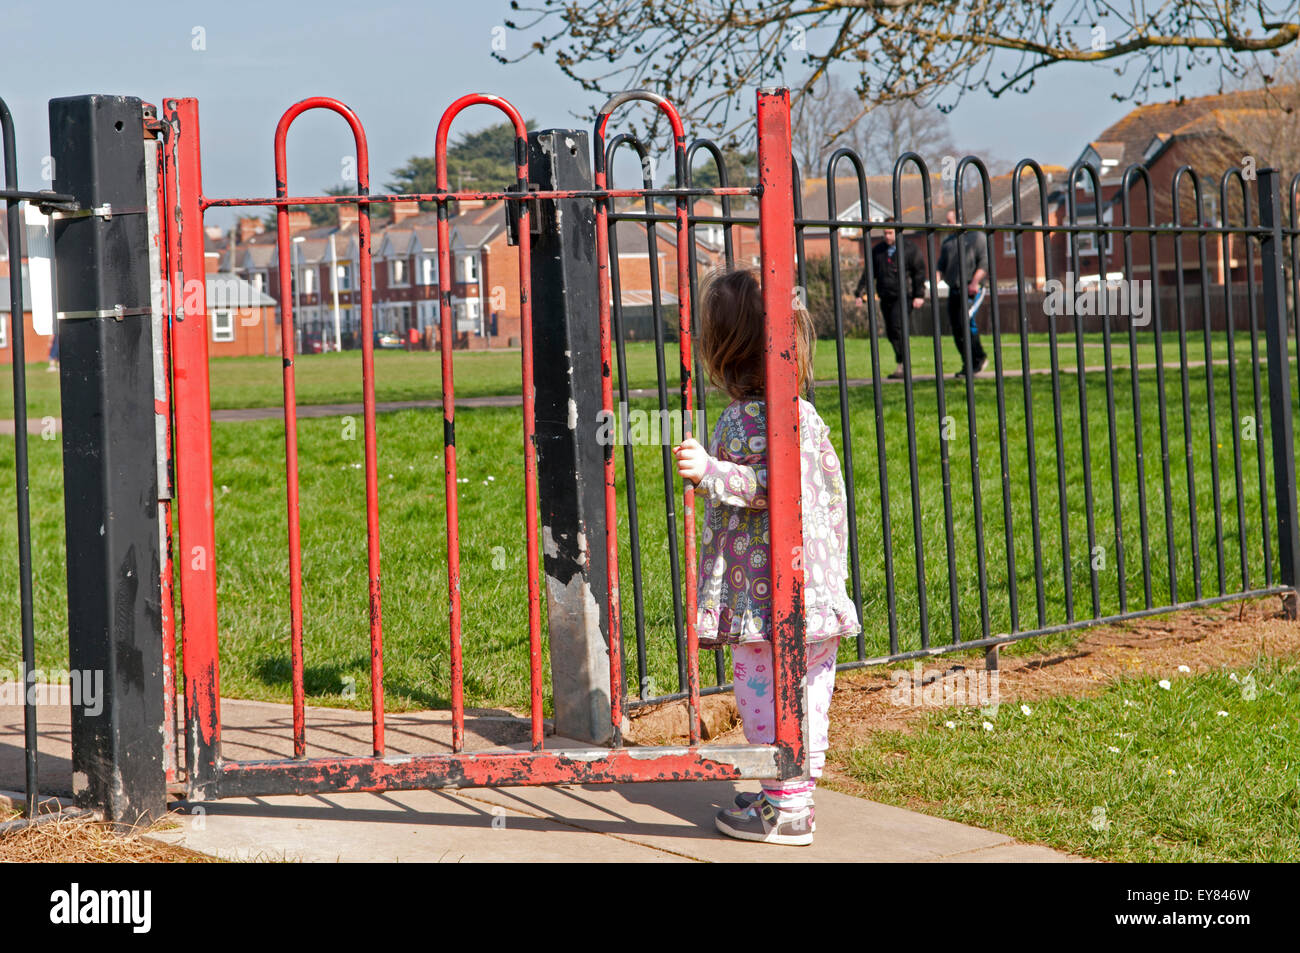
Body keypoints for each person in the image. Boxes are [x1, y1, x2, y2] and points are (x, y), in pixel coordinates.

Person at [673, 267, 860, 847]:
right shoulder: (801, 413)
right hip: (813, 589)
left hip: (768, 592)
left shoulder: (752, 419)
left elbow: (774, 488)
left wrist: (712, 472)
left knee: (765, 690)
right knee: (804, 690)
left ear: (724, 353)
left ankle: (789, 808)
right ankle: (785, 788)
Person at [854, 225, 925, 379]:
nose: (887, 236)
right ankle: (901, 363)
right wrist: (860, 292)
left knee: (897, 327)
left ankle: (904, 364)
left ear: (897, 232)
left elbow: (919, 272)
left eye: (890, 232)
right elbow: (869, 272)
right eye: (885, 233)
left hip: (904, 295)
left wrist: (919, 294)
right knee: (891, 331)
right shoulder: (878, 250)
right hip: (885, 295)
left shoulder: (909, 249)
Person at [935, 208, 989, 378]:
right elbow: (940, 268)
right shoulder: (948, 242)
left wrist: (974, 282)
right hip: (955, 289)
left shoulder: (977, 237)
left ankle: (978, 358)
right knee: (957, 327)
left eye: (950, 221)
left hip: (972, 289)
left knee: (966, 322)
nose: (947, 224)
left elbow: (984, 264)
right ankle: (968, 362)